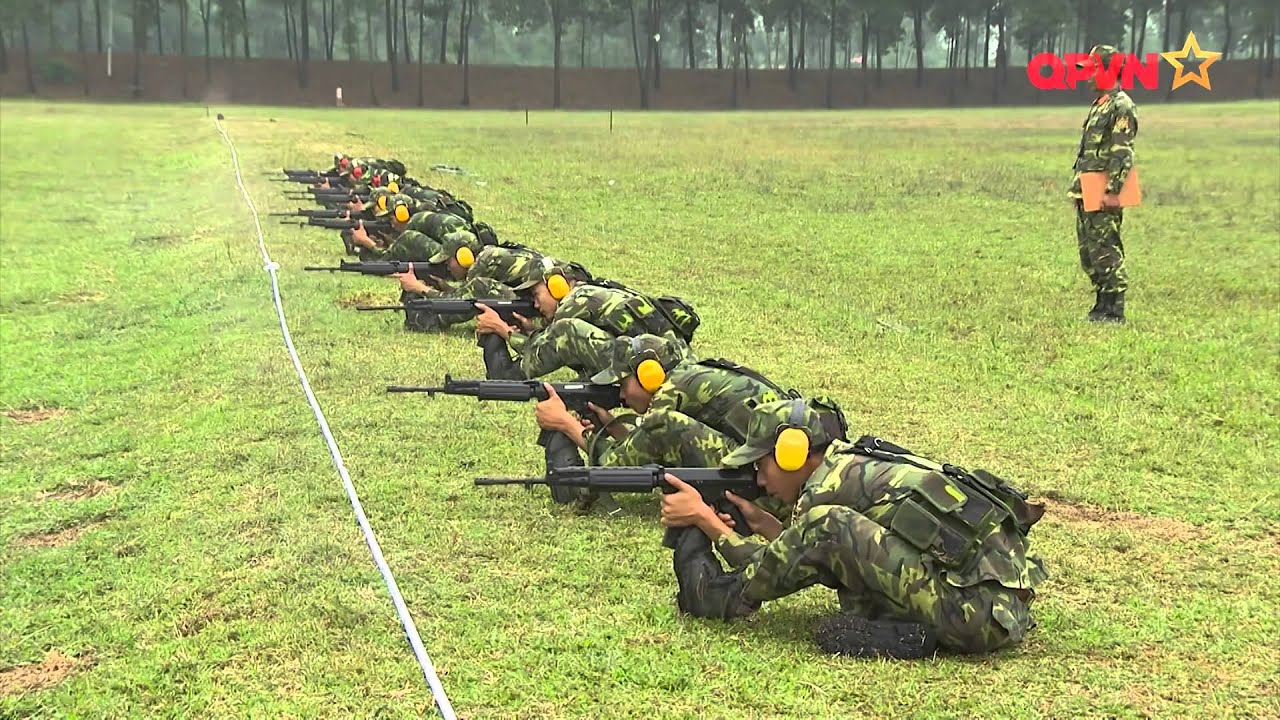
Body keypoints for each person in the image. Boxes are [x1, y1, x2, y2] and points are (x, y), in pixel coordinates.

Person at [659, 398, 1049, 659]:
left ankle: (713, 596)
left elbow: (775, 563)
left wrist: (705, 520)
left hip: (975, 617)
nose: (759, 480)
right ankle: (894, 628)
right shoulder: (850, 463)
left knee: (827, 527)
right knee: (826, 532)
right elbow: (810, 554)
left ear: (792, 454)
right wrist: (768, 525)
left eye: (761, 465)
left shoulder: (824, 492)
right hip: (999, 610)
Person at [533, 333, 800, 513]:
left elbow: (613, 467)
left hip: (772, 492)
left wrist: (567, 424)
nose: (622, 396)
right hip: (780, 476)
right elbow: (649, 450)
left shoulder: (670, 391)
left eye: (623, 384)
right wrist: (614, 428)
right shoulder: (688, 377)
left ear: (649, 376)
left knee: (663, 424)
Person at [474, 258, 696, 381]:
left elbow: (542, 349)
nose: (535, 304)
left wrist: (503, 330)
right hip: (673, 364)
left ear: (556, 286)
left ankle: (505, 376)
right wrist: (533, 328)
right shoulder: (589, 293)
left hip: (659, 370)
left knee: (567, 332)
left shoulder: (575, 302)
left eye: (535, 294)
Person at [1068, 44, 1138, 323]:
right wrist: (1077, 189)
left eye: (1093, 69)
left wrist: (1114, 191)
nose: (1087, 76)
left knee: (1107, 248)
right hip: (1088, 184)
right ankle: (1100, 303)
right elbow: (1089, 152)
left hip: (1105, 186)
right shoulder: (1101, 104)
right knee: (1090, 251)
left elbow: (1122, 152)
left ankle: (1114, 308)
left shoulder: (1122, 105)